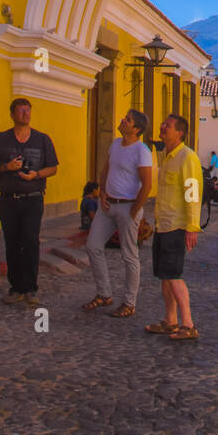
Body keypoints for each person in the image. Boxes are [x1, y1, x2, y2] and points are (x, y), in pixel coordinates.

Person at [0, 96, 59, 308]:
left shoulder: (42, 139)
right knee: (13, 244)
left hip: (32, 200)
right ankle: (16, 287)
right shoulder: (1, 139)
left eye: (28, 110)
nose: (26, 114)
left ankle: (31, 288)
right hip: (8, 201)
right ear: (12, 114)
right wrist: (6, 167)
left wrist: (35, 175)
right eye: (21, 111)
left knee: (31, 241)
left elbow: (53, 168)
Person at [83, 109, 152, 318]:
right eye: (125, 117)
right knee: (93, 246)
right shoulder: (115, 144)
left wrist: (134, 211)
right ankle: (104, 294)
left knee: (129, 256)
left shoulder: (142, 151)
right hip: (107, 206)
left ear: (136, 129)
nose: (123, 120)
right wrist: (102, 193)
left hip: (128, 207)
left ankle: (129, 303)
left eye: (127, 120)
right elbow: (106, 170)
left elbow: (147, 185)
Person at [144, 113, 203, 341]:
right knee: (164, 276)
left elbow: (192, 194)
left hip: (177, 226)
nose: (162, 127)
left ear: (179, 132)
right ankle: (171, 321)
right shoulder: (166, 156)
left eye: (167, 125)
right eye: (163, 124)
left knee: (174, 275)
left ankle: (188, 324)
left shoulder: (187, 158)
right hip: (163, 224)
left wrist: (192, 226)